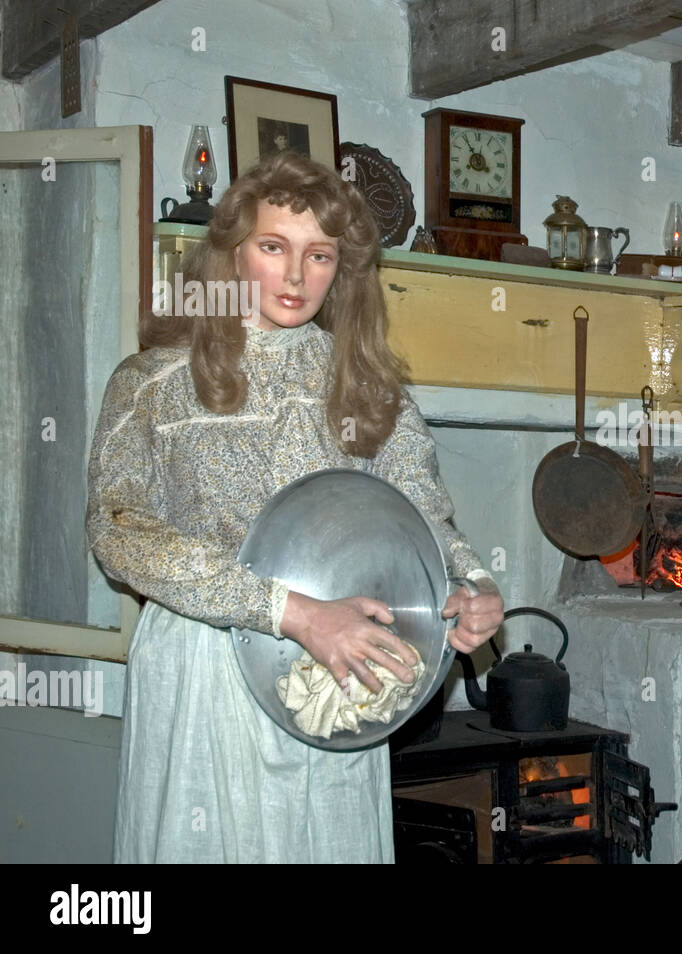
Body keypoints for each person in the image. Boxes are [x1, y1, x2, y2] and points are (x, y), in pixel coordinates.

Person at [86, 151, 504, 863]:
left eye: (319, 255)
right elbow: (118, 532)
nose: (294, 275)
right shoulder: (152, 382)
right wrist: (292, 612)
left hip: (339, 669)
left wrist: (470, 585)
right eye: (273, 247)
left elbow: (422, 511)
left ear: (341, 268)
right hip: (203, 667)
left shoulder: (371, 385)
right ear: (231, 253)